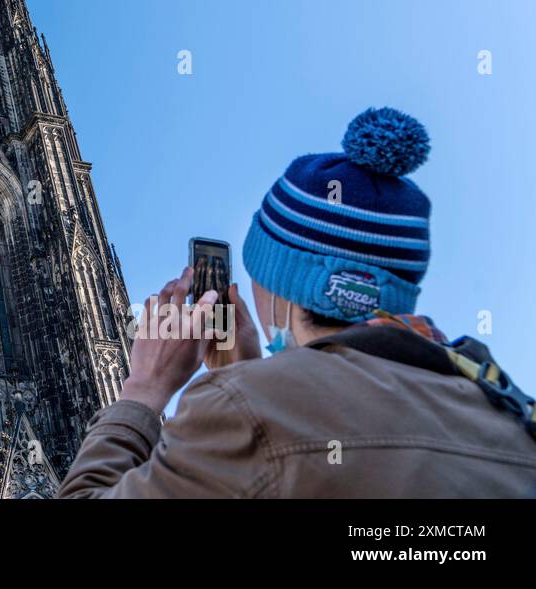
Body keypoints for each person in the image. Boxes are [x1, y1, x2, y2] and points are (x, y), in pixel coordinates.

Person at [59, 108, 536, 498]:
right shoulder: (510, 412)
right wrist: (245, 379)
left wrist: (143, 390)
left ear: (281, 289)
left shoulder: (244, 412)